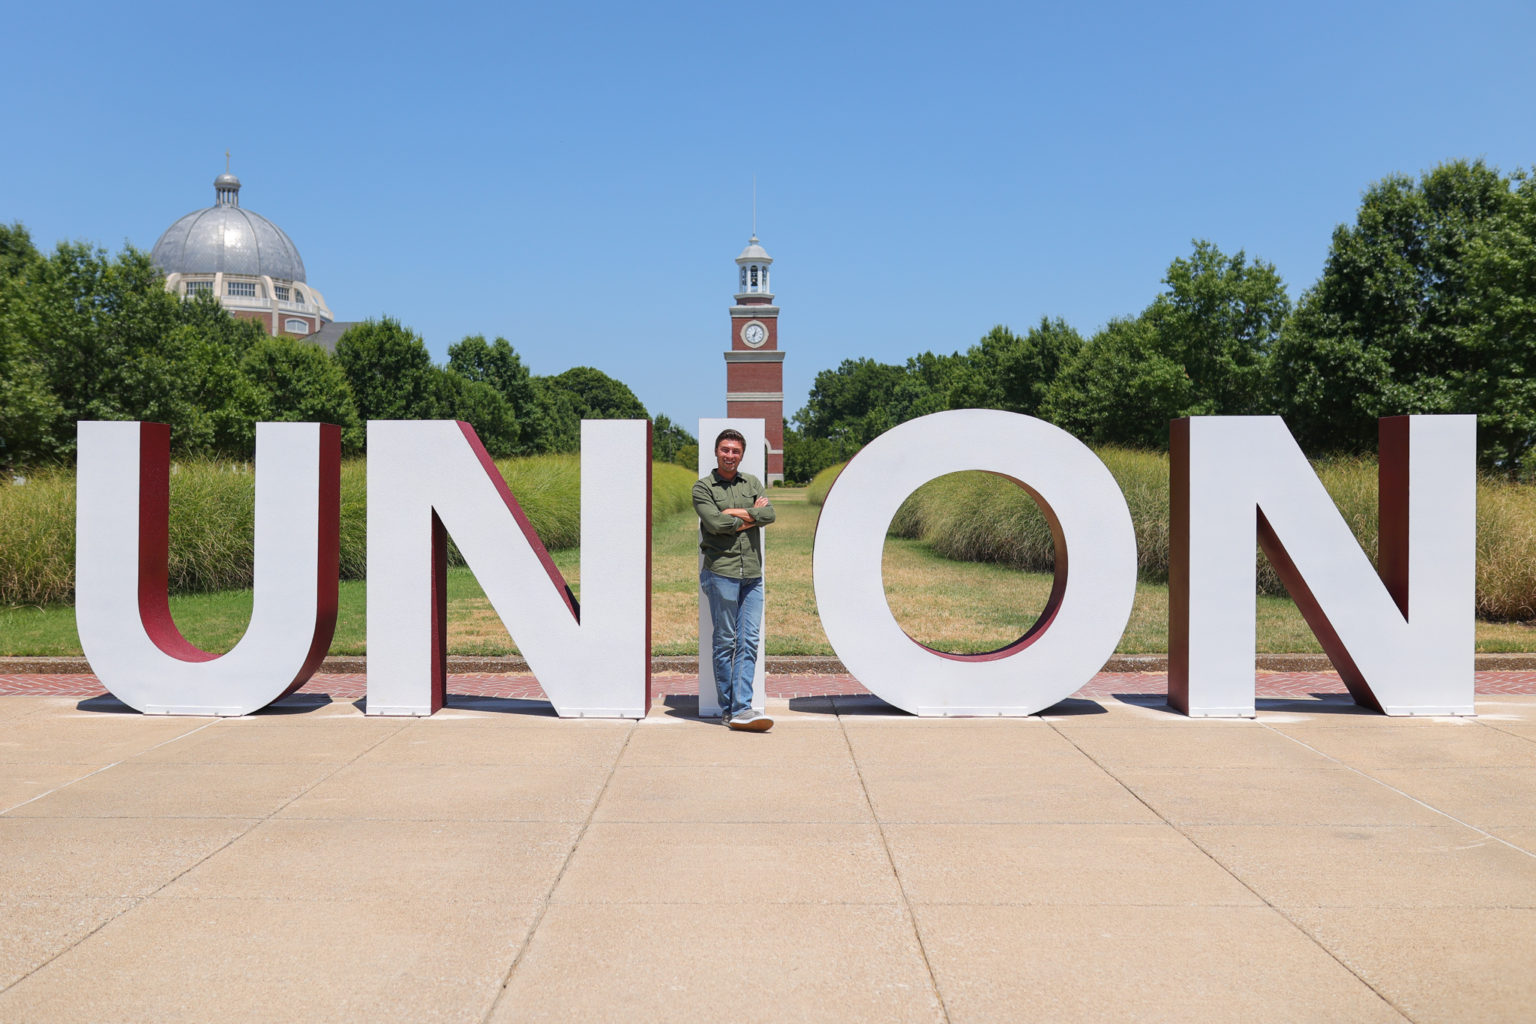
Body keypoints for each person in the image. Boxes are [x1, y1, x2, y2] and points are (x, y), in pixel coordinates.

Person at [694, 428, 776, 731]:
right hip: (722, 573)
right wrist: (751, 514)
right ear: (717, 452)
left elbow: (771, 516)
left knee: (749, 641)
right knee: (726, 641)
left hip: (752, 575)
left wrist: (732, 514)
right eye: (725, 450)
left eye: (736, 451)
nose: (730, 455)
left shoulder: (752, 482)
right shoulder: (702, 488)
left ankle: (742, 708)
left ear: (742, 454)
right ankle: (731, 709)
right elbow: (714, 523)